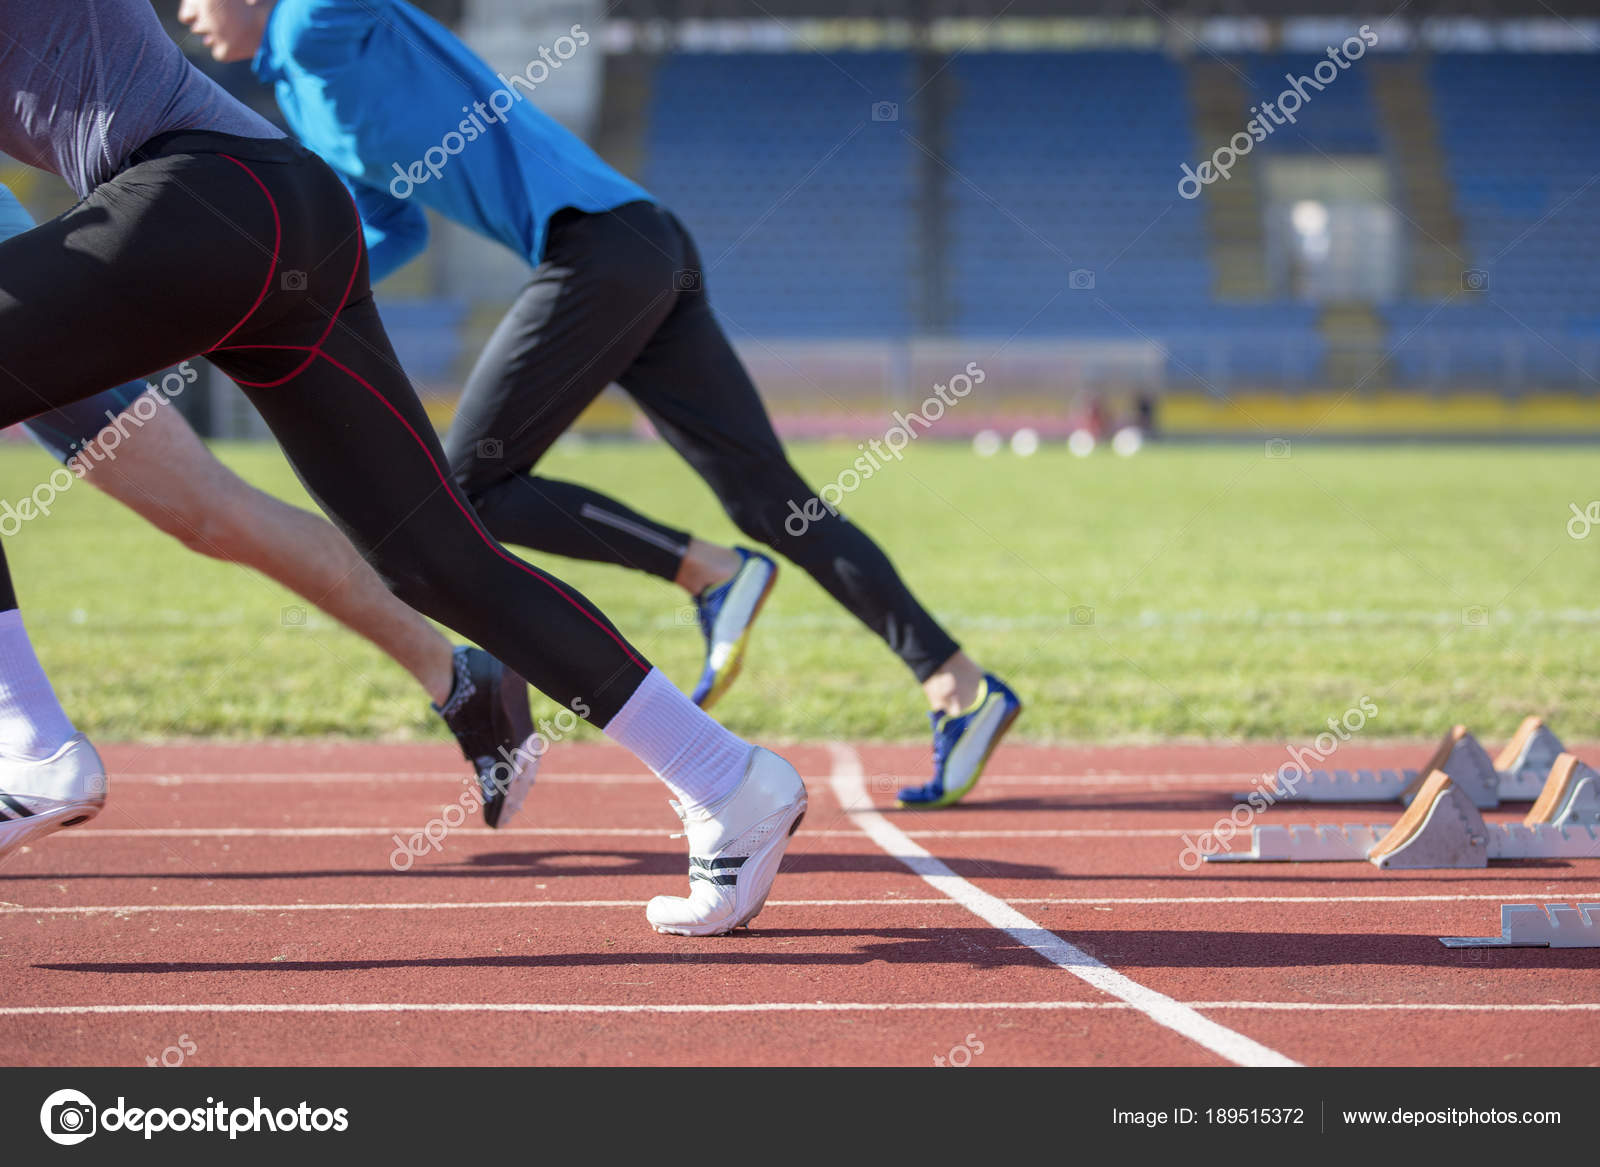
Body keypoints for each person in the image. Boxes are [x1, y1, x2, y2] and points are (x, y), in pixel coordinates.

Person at [0, 0, 804, 938]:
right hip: (280, 216)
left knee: (435, 552)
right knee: (431, 559)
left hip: (208, 197)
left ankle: (29, 744)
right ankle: (726, 776)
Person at [177, 0, 1023, 807]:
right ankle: (957, 683)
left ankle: (708, 570)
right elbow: (396, 227)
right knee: (772, 499)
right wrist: (285, 292)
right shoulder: (299, 96)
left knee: (468, 489)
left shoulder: (317, 19)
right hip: (638, 246)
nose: (184, 16)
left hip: (600, 249)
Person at [1, 181, 536, 826]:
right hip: (35, 292)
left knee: (211, 510)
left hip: (25, 302)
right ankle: (457, 677)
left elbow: (400, 228)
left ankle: (36, 745)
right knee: (208, 515)